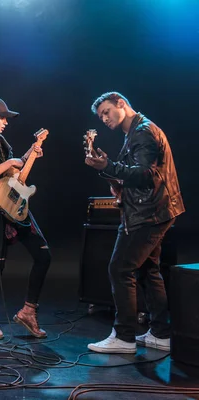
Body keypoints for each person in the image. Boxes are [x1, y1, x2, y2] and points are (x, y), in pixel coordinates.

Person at [85, 92, 184, 354]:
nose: (104, 118)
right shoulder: (135, 133)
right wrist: (108, 170)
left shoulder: (142, 131)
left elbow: (146, 175)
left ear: (121, 103)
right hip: (154, 210)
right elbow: (137, 175)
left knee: (120, 269)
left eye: (107, 111)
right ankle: (162, 334)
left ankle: (124, 337)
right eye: (100, 116)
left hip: (148, 214)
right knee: (148, 270)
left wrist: (109, 166)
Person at [0, 97, 51, 340]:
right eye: (1, 117)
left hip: (14, 205)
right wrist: (9, 163)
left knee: (43, 254)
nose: (5, 122)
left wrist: (30, 154)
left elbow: (16, 171)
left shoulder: (2, 144)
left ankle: (28, 311)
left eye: (6, 118)